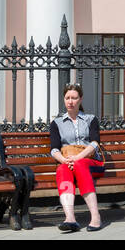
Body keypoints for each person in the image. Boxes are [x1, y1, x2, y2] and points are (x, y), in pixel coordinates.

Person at [50, 83, 104, 232]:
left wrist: (78, 157)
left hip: (93, 163)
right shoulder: (56, 123)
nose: (70, 101)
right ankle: (70, 218)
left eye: (74, 98)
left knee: (79, 165)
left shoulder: (90, 119)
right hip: (69, 162)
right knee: (62, 169)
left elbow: (95, 143)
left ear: (80, 99)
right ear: (64, 99)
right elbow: (54, 148)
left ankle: (95, 217)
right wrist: (64, 160)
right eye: (67, 98)